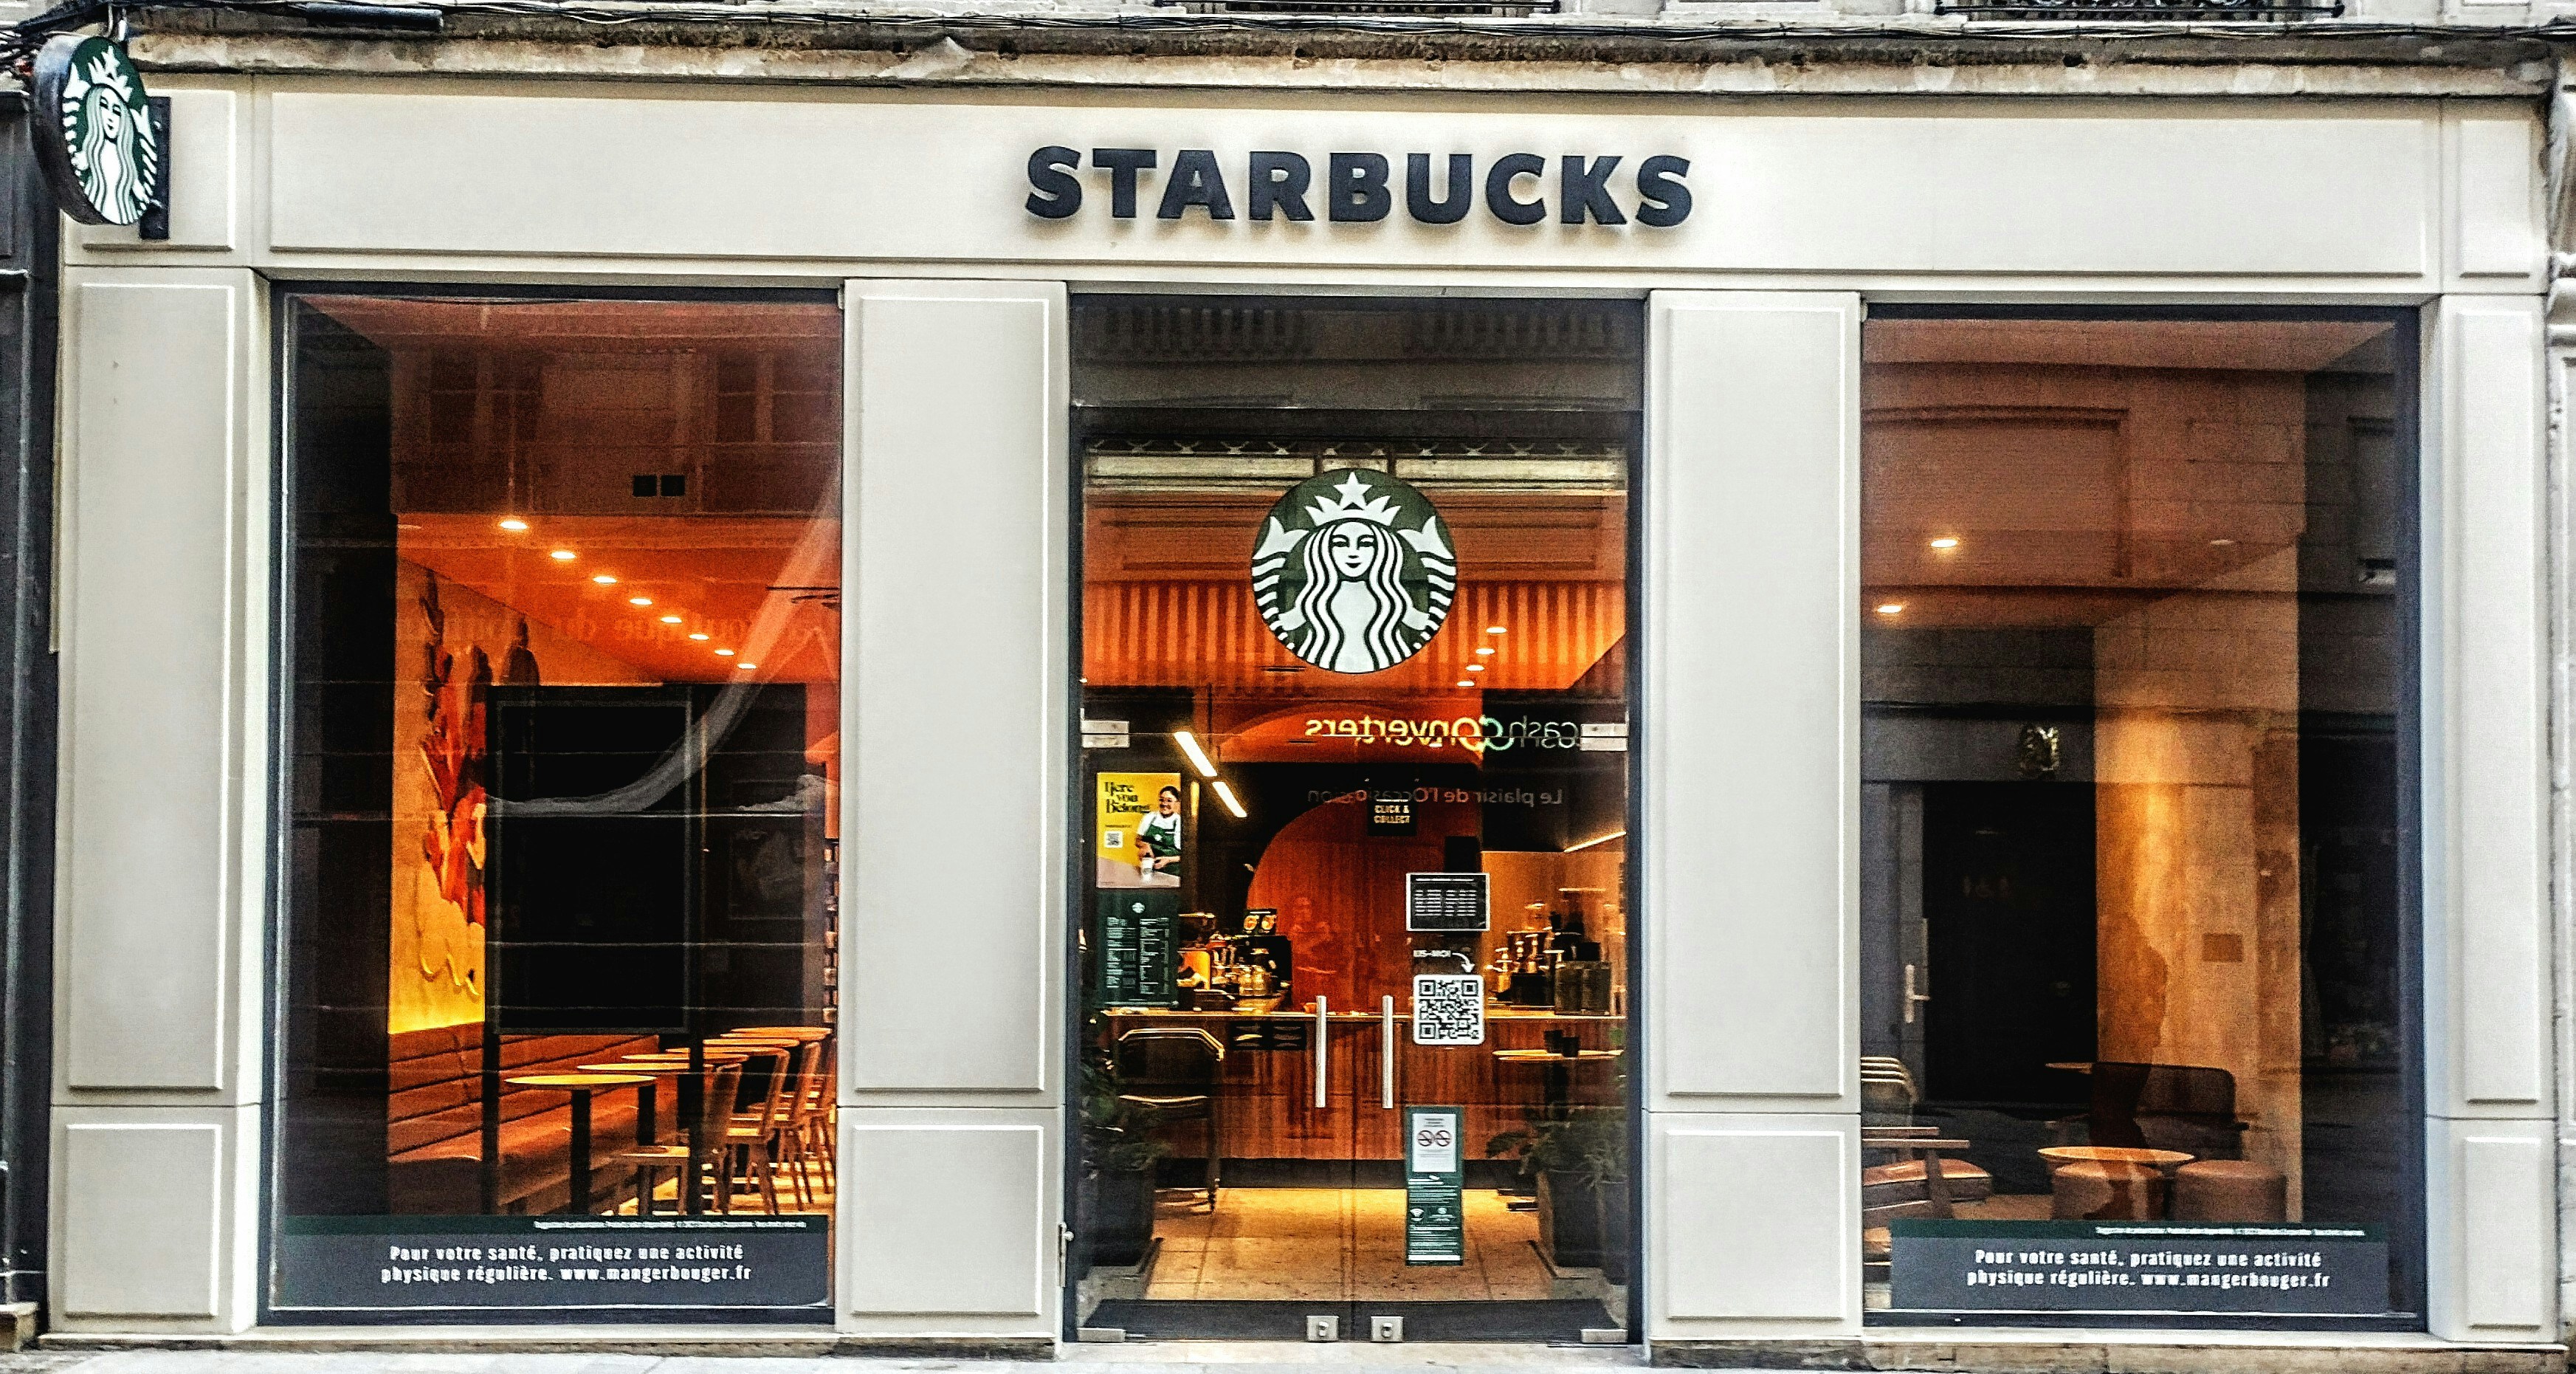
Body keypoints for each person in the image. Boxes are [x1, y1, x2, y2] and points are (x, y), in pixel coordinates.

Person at [1135, 785, 1184, 880]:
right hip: (1150, 869)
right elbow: (1137, 840)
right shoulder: (1149, 817)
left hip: (1174, 873)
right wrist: (1145, 846)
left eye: (1169, 801)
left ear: (1177, 803)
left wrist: (1168, 860)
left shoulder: (1181, 822)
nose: (1164, 804)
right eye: (1162, 800)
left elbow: (1188, 855)